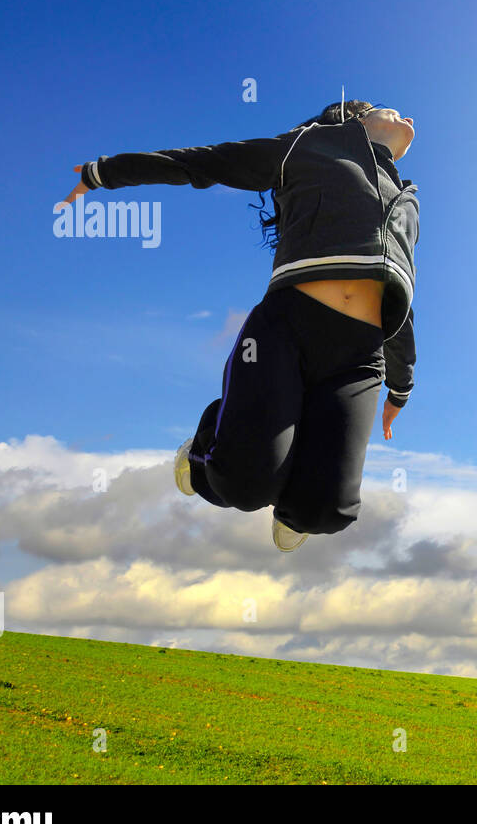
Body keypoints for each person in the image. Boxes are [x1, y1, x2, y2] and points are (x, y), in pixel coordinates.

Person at [57, 99, 419, 552]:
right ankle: (203, 449)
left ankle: (301, 503)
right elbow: (202, 162)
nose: (405, 115)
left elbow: (400, 297)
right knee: (246, 487)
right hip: (289, 328)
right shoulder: (309, 146)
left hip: (359, 356)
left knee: (327, 512)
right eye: (390, 109)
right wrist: (103, 172)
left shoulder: (407, 201)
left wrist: (400, 388)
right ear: (356, 118)